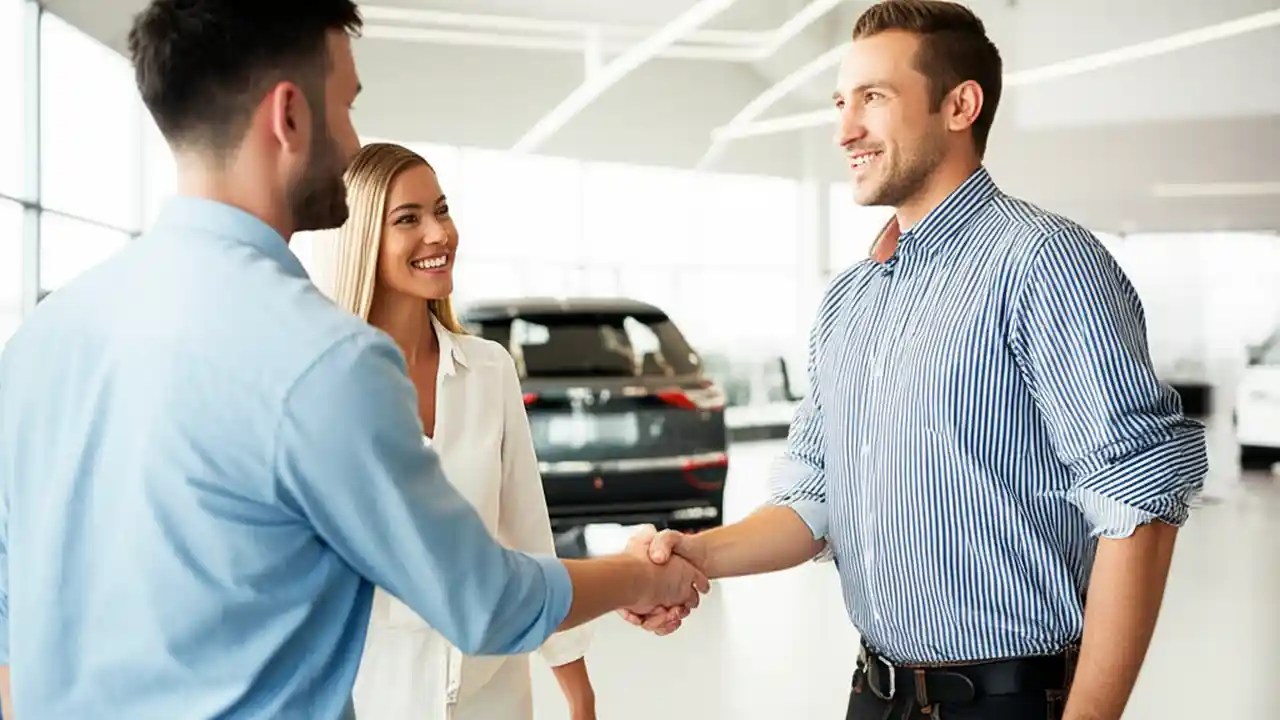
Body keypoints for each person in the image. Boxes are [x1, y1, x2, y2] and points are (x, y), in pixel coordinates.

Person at [0, 2, 707, 718]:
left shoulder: (44, 338)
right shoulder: (324, 361)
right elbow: (481, 599)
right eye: (346, 106)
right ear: (289, 116)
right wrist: (636, 577)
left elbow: (8, 617)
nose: (352, 141)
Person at [628, 1, 1208, 719]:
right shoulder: (851, 299)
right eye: (842, 102)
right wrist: (697, 555)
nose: (846, 131)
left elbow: (1138, 503)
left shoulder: (1043, 262)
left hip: (1009, 700)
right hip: (879, 694)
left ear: (960, 105)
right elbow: (815, 493)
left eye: (874, 98)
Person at [307, 142, 597, 720]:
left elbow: (528, 534)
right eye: (408, 219)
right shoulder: (323, 385)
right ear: (363, 238)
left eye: (441, 210)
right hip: (375, 698)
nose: (439, 233)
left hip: (493, 693)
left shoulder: (489, 370)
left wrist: (578, 692)